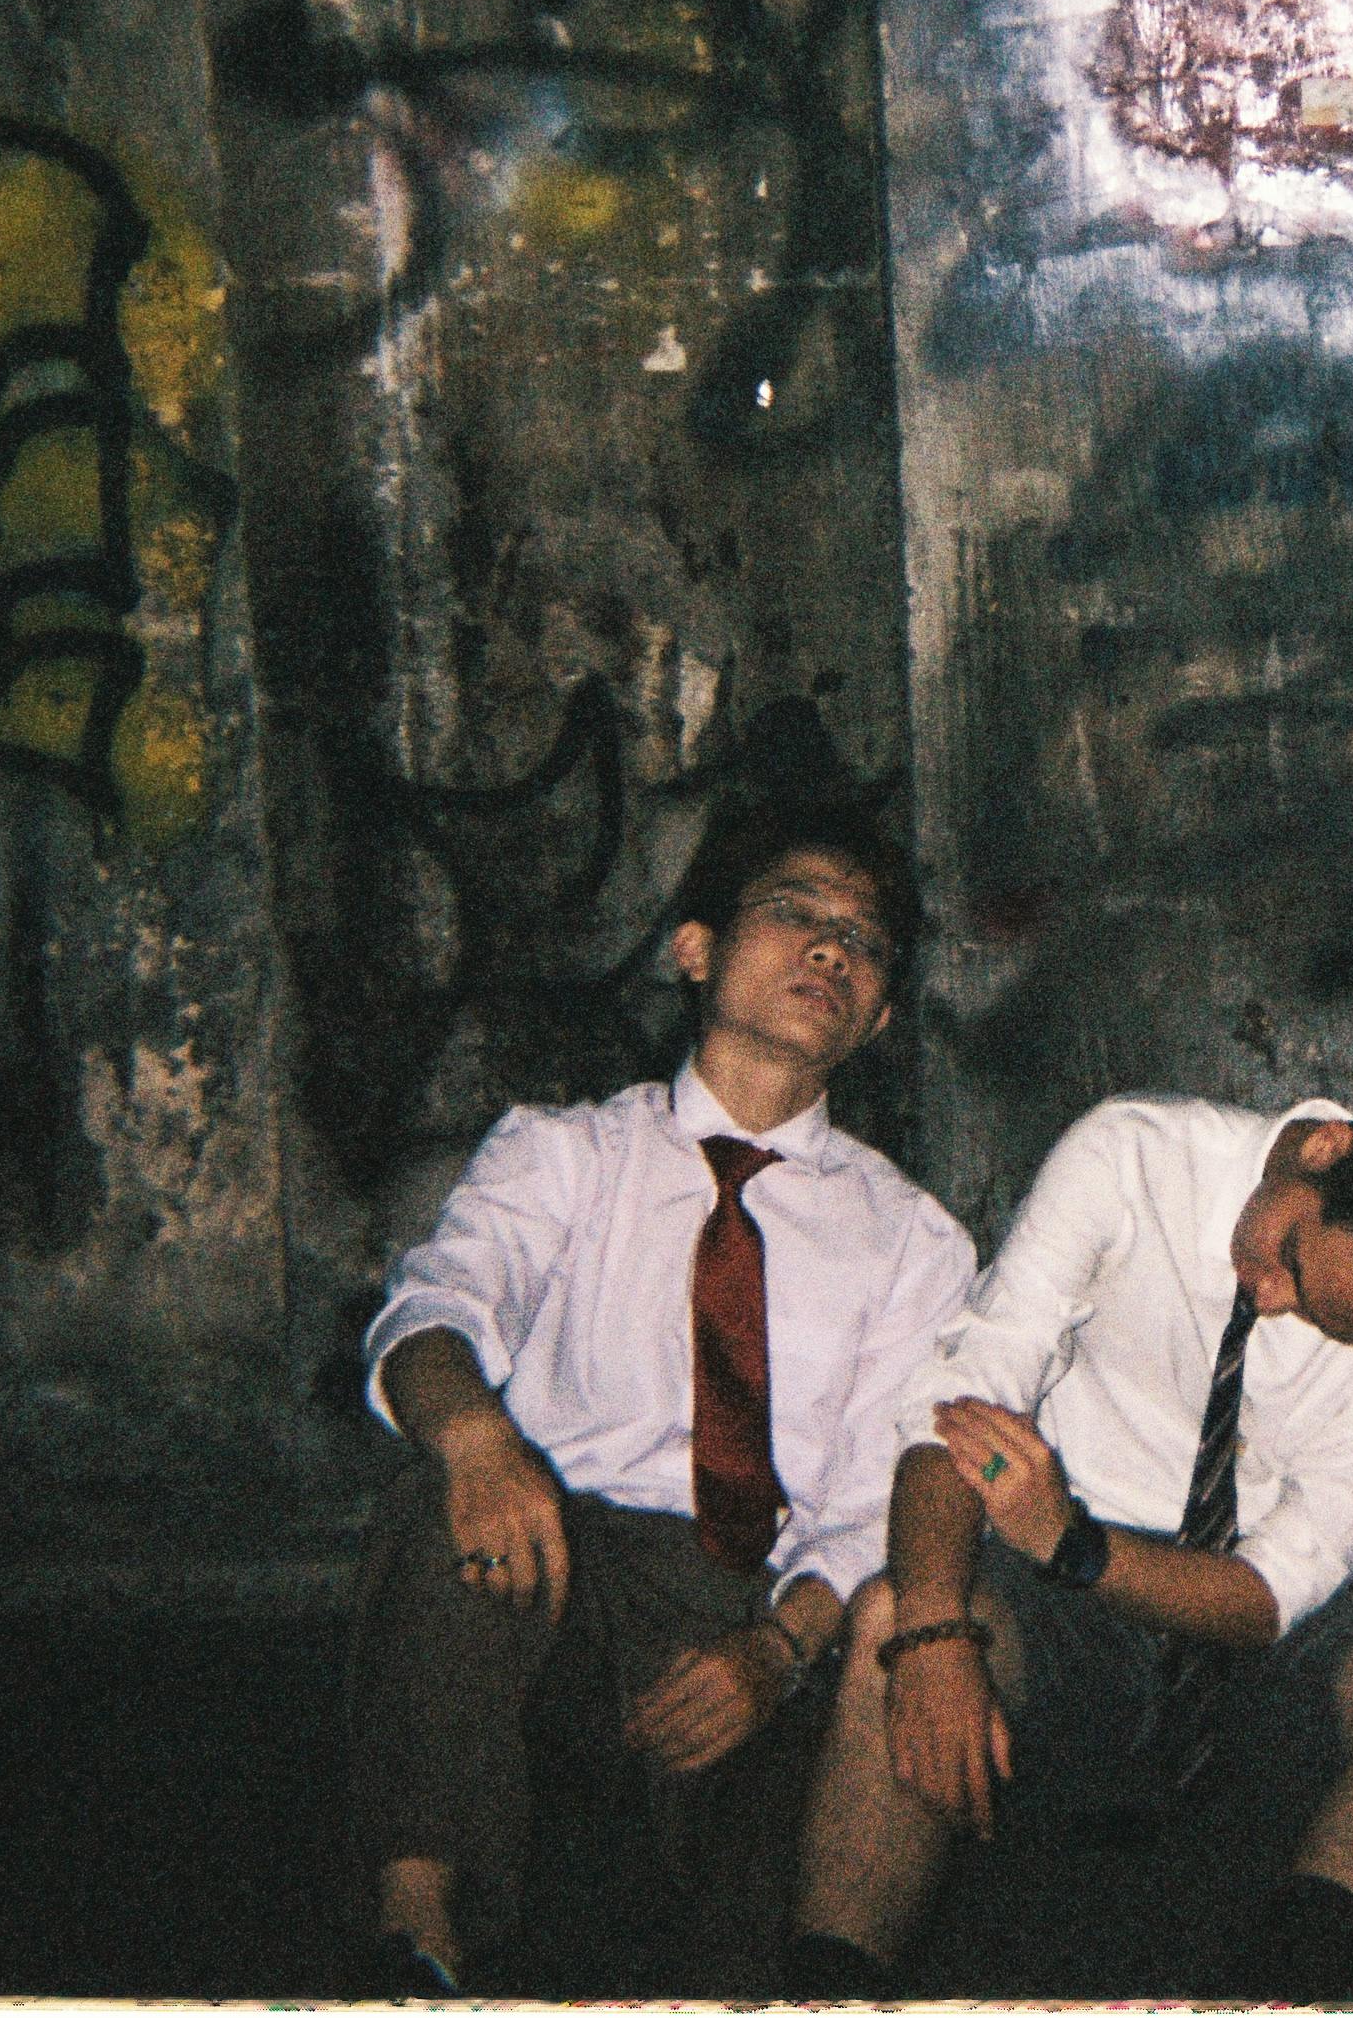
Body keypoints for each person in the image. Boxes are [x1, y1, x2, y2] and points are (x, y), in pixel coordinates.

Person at [343, 800, 978, 1997]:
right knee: (447, 1496)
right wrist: (477, 1436)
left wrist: (775, 1649)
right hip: (558, 1559)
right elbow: (431, 1313)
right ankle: (415, 1930)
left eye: (865, 939)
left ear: (883, 1014)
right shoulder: (565, 1153)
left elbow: (873, 1499)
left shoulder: (916, 1241)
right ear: (695, 948)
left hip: (753, 1594)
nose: (831, 948)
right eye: (794, 910)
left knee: (732, 1940)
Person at [776, 1088, 1353, 2003]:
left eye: (1317, 1310)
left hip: (1241, 1637)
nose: (1271, 1297)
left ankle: (1292, 1980)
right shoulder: (1134, 1154)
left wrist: (1078, 1547)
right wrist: (936, 1632)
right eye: (1292, 1258)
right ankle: (826, 1990)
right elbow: (963, 1402)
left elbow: (1266, 1598)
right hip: (1058, 1599)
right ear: (1326, 1151)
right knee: (892, 1616)